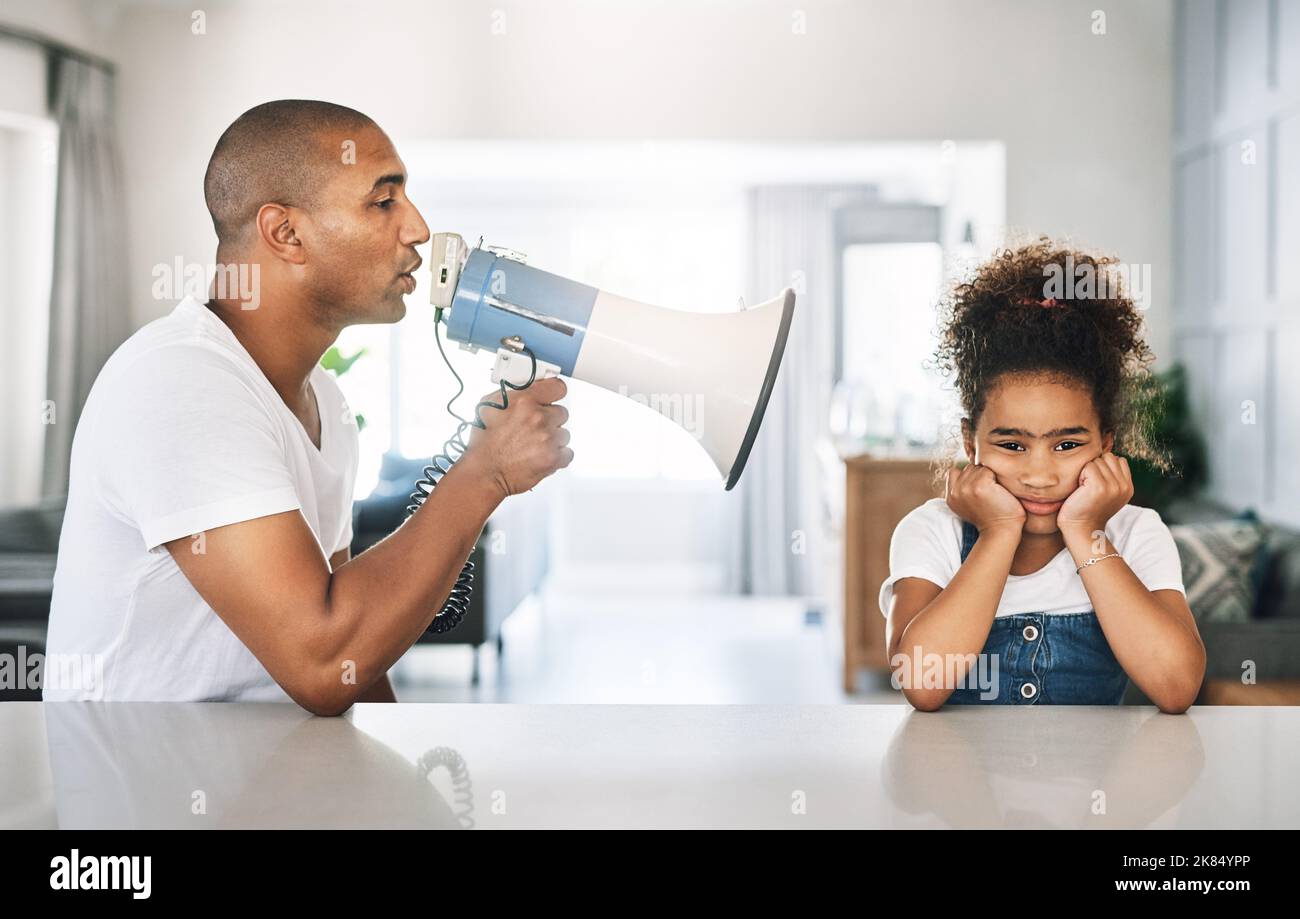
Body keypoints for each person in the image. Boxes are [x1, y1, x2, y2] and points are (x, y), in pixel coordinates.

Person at [45, 100, 572, 713]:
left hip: (262, 786)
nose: (419, 229)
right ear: (285, 233)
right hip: (152, 793)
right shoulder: (180, 379)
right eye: (384, 202)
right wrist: (485, 473)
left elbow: (354, 644)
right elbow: (322, 662)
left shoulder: (323, 398)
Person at [879, 239, 1204, 712]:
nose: (1039, 474)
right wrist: (997, 534)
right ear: (971, 443)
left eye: (1067, 445)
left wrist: (1085, 532)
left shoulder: (1135, 534)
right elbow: (922, 685)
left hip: (1095, 784)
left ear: (1106, 444)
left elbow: (1177, 688)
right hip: (959, 784)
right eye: (1012, 446)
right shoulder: (932, 532)